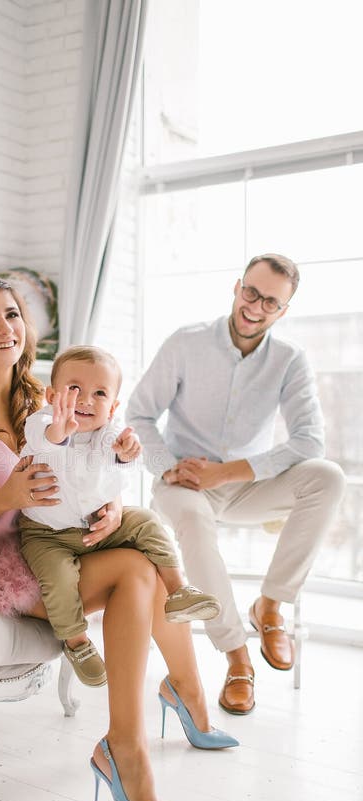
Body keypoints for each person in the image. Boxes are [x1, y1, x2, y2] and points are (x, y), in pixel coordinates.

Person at [0, 274, 238, 801]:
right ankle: (151, 725)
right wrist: (6, 497)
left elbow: (92, 471)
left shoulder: (46, 401)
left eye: (12, 314)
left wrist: (110, 506)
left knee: (141, 555)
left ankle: (135, 734)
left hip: (57, 542)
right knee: (138, 569)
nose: (4, 327)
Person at [126, 253, 346, 715]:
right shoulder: (185, 343)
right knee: (192, 520)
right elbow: (140, 413)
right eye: (251, 292)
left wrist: (227, 472)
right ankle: (237, 658)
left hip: (245, 486)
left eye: (271, 301)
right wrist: (167, 465)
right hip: (183, 483)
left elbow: (310, 440)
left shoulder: (289, 360)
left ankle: (270, 605)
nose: (256, 306)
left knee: (327, 477)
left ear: (282, 311)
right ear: (236, 287)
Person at [18, 344, 221, 687]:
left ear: (112, 406)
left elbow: (120, 458)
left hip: (96, 524)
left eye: (99, 393)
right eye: (74, 389)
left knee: (146, 521)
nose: (85, 400)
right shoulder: (42, 422)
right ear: (52, 395)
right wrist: (59, 430)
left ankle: (178, 589)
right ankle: (76, 641)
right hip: (46, 533)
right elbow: (42, 440)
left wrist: (128, 453)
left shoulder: (107, 429)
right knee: (58, 579)